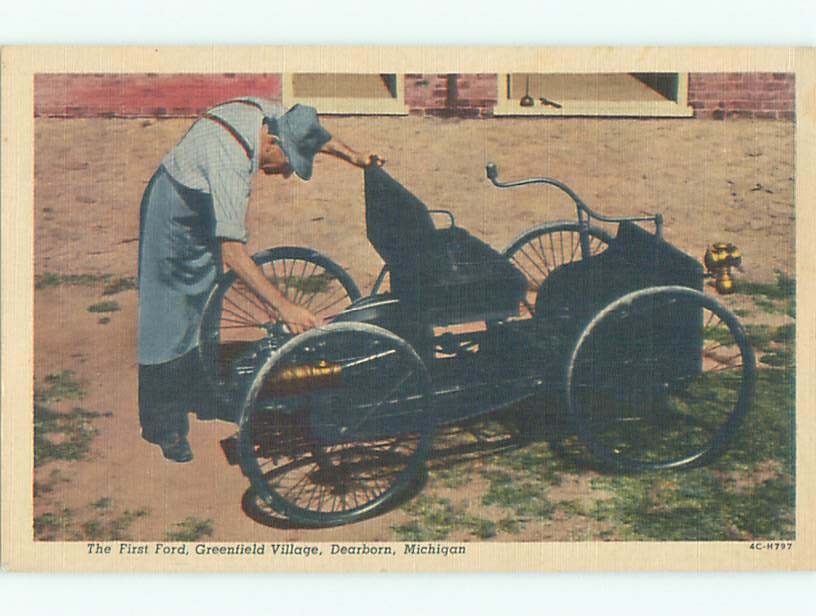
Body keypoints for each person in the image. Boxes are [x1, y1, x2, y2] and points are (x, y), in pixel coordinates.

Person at [137, 97, 381, 462]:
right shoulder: (231, 161)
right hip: (172, 210)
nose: (284, 174)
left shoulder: (273, 118)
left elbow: (315, 135)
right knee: (165, 319)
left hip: (201, 203)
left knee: (203, 307)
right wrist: (285, 308)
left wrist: (355, 157)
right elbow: (234, 255)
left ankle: (200, 391)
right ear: (273, 143)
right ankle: (162, 424)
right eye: (288, 164)